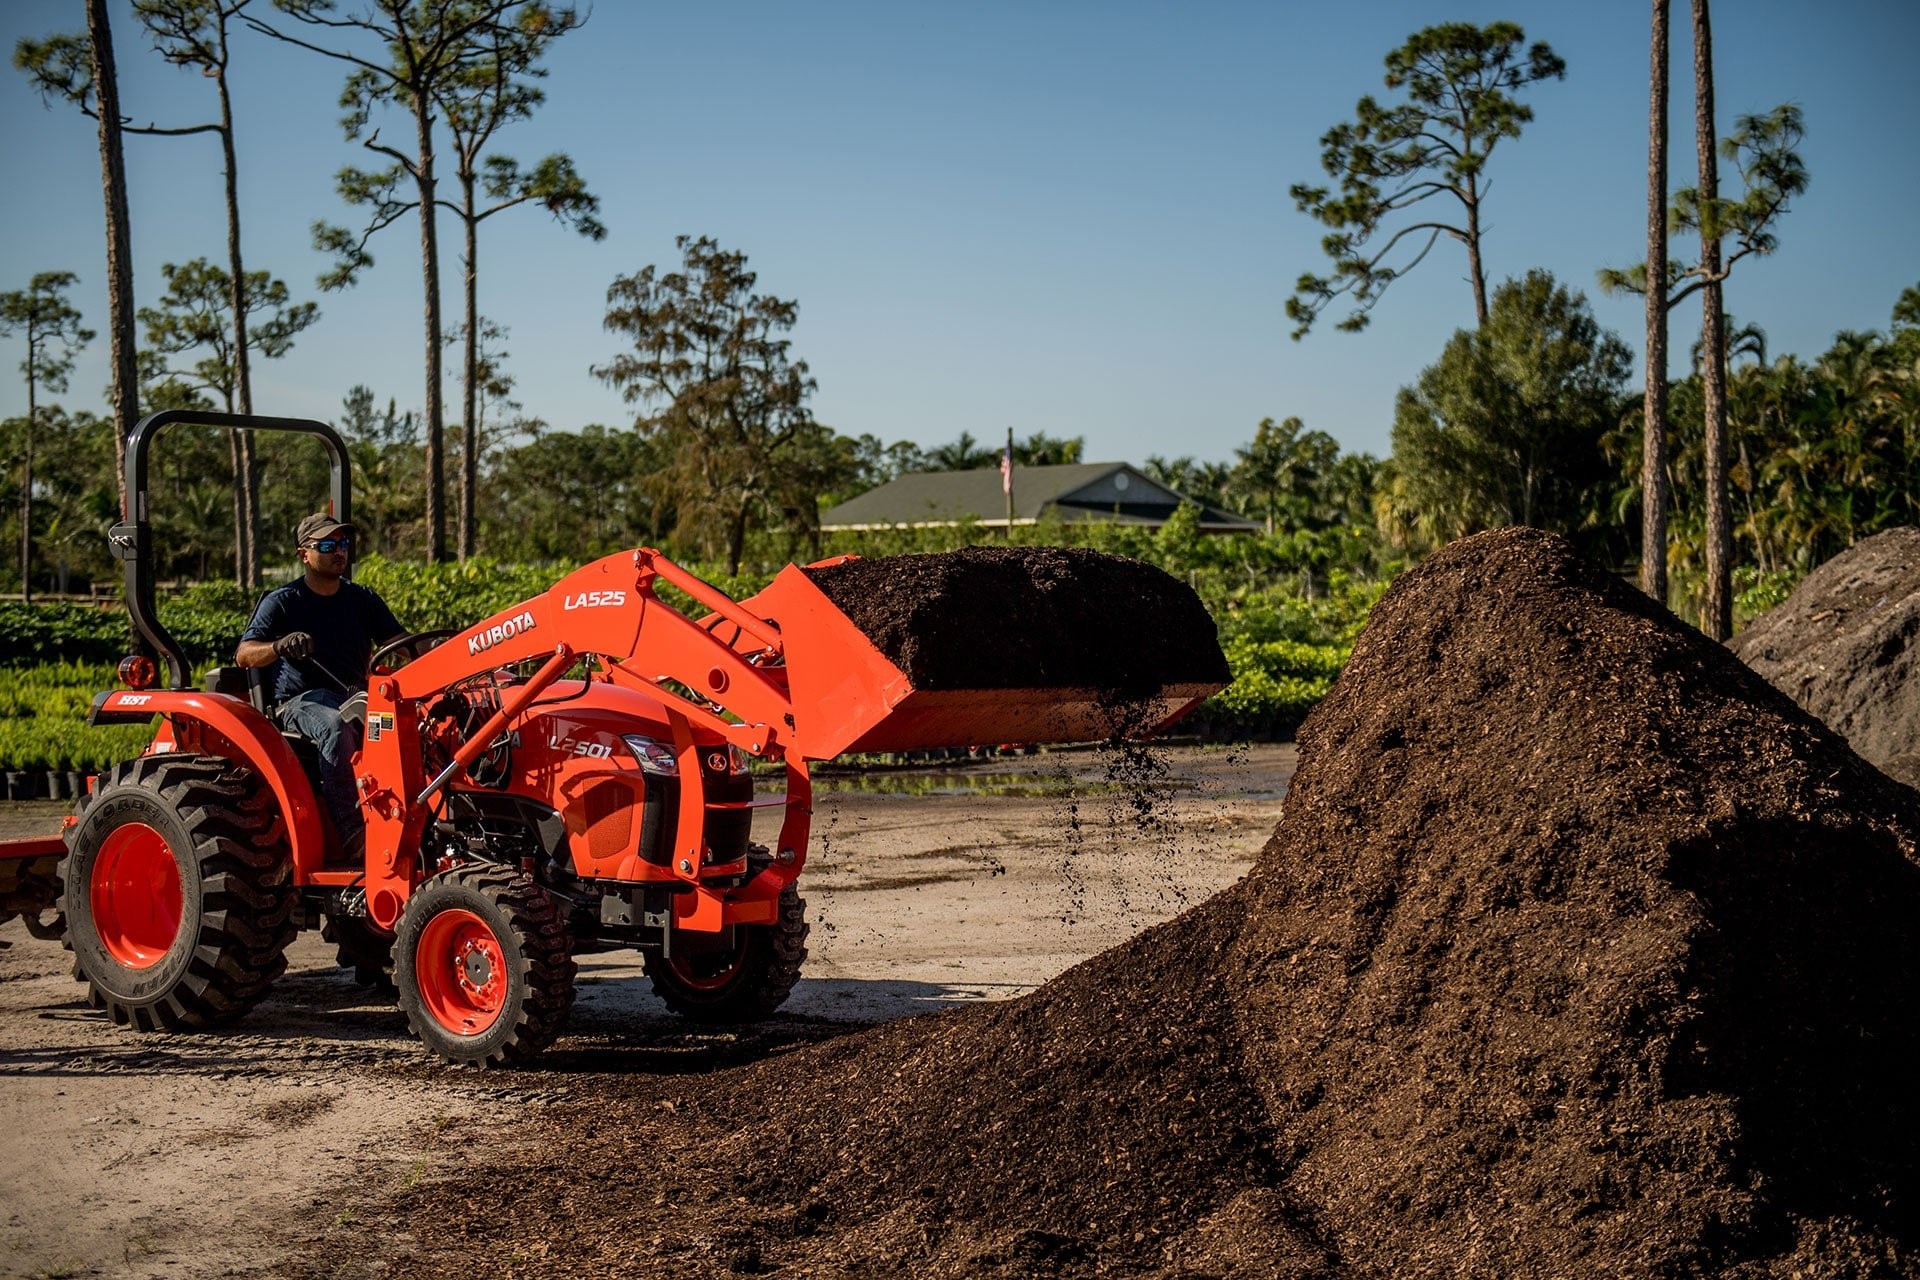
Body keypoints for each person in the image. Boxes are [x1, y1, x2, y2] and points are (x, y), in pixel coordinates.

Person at [235, 513, 404, 850]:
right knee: (334, 725)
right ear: (304, 554)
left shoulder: (362, 599)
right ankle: (353, 832)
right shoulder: (283, 601)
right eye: (327, 545)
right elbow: (244, 654)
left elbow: (402, 644)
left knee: (415, 722)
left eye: (343, 544)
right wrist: (279, 646)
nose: (338, 551)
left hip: (355, 697)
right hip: (301, 702)